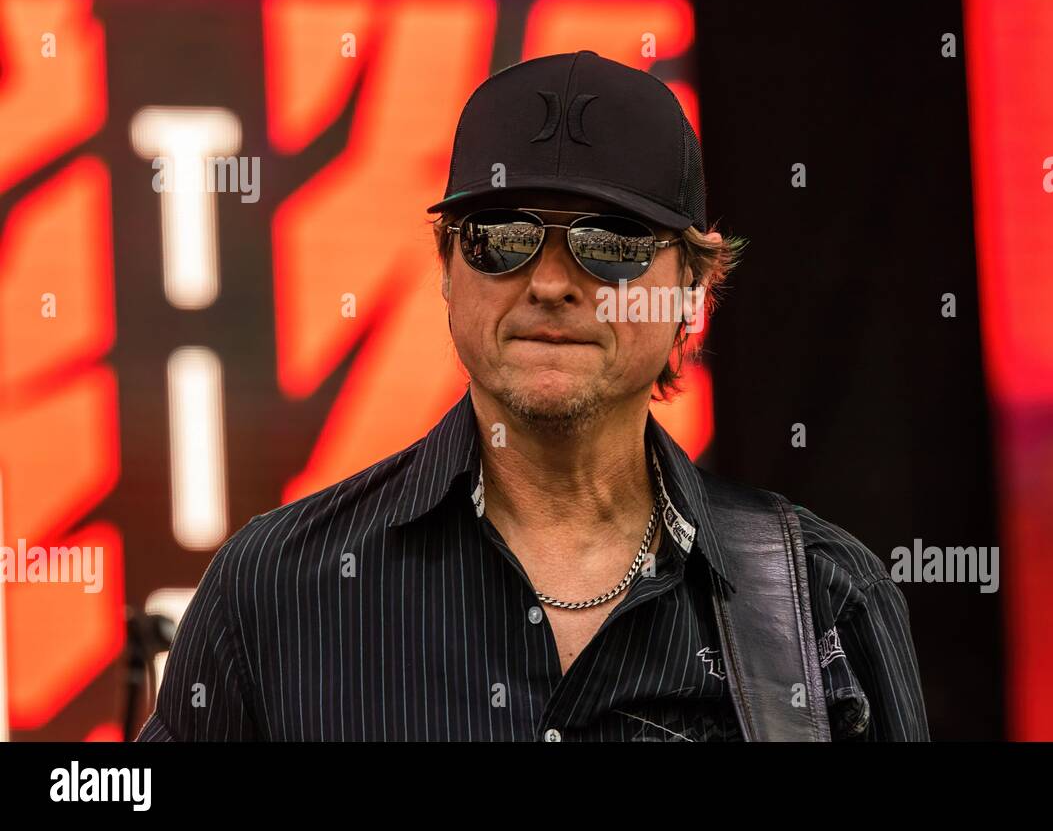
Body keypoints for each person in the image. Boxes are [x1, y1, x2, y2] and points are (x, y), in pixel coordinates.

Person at [137, 49, 928, 742]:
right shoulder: (275, 591)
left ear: (692, 287)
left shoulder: (826, 600)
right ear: (447, 268)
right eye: (501, 237)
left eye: (610, 243)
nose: (551, 282)